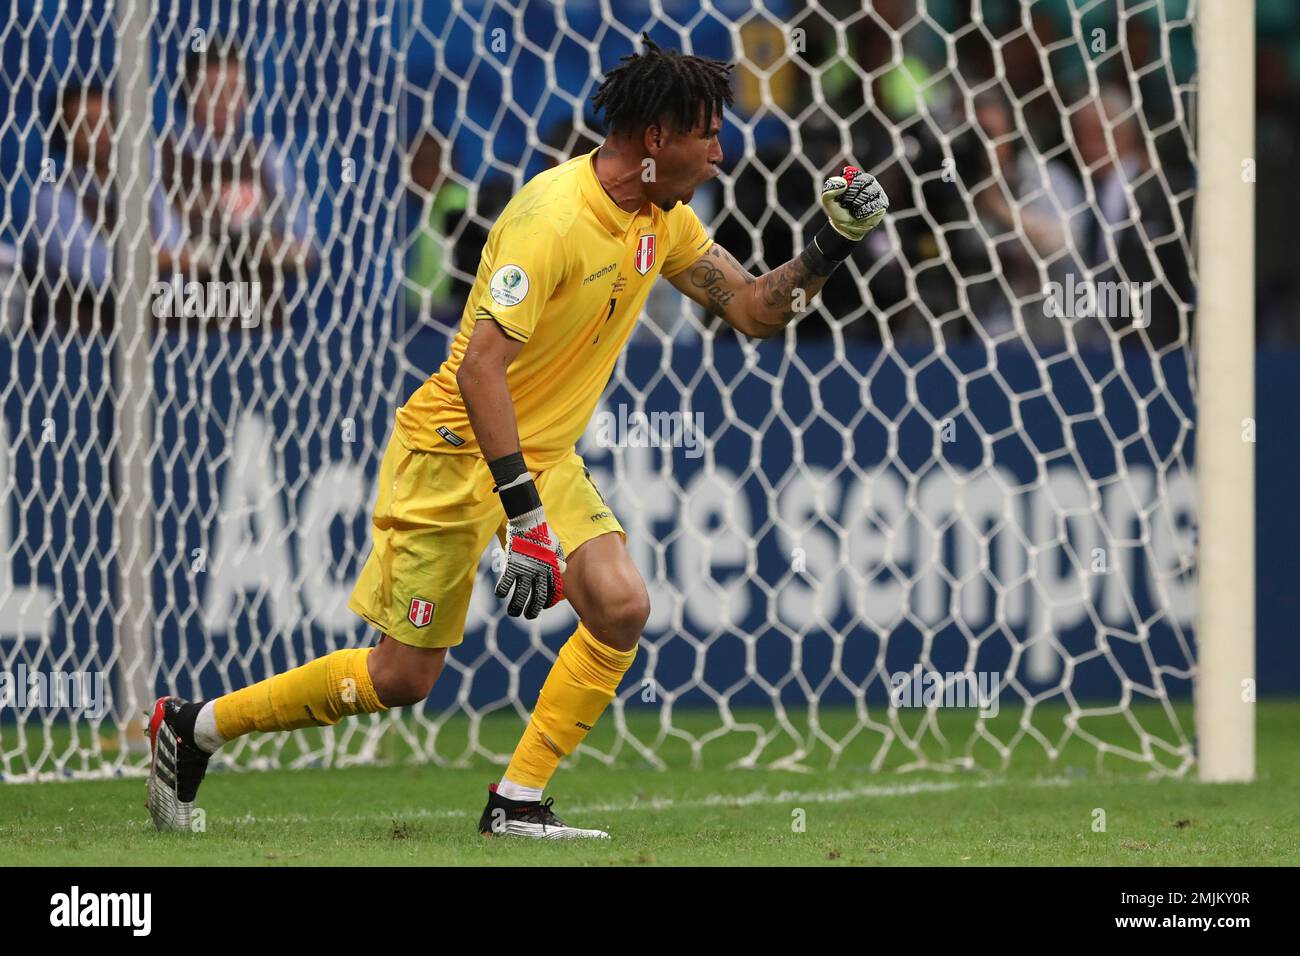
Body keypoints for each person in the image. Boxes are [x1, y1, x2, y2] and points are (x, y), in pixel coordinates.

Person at [143, 34, 889, 839]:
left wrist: (829, 245)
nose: (719, 151)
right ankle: (195, 727)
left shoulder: (661, 219)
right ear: (655, 140)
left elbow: (751, 310)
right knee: (401, 678)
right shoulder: (552, 218)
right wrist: (526, 520)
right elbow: (480, 370)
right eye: (707, 133)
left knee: (620, 606)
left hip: (540, 453)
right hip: (454, 449)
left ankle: (517, 801)